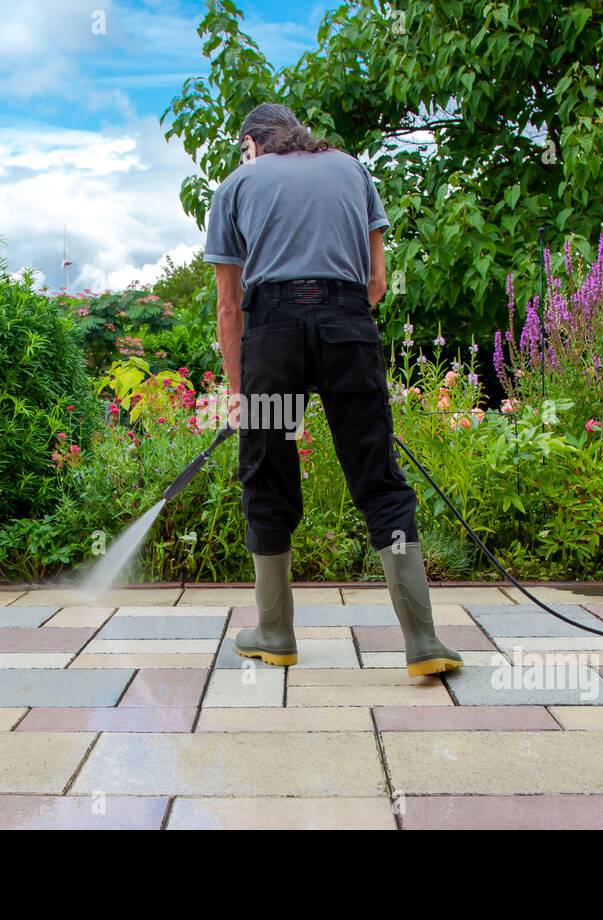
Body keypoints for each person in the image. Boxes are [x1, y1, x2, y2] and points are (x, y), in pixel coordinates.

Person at [203, 103, 463, 678]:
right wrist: (333, 322)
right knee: (378, 477)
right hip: (347, 324)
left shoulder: (237, 184)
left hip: (271, 334)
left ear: (251, 144)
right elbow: (376, 282)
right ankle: (422, 641)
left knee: (268, 473)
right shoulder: (352, 169)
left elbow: (228, 306)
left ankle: (275, 632)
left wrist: (244, 391)